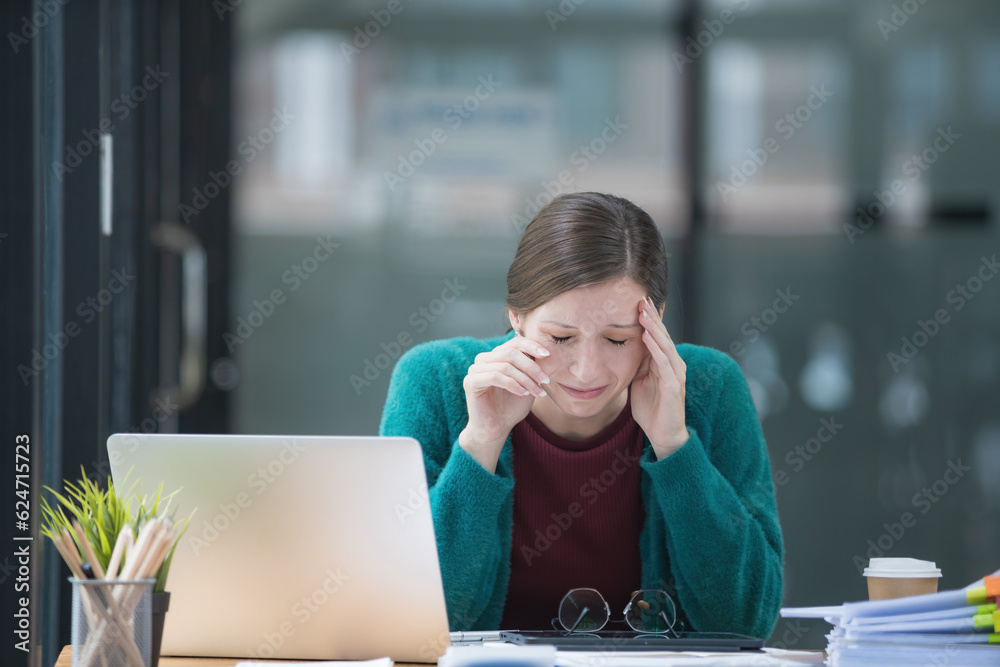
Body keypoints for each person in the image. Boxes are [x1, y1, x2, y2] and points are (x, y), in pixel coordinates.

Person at [379, 192, 783, 638]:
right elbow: (408, 617)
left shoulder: (709, 387)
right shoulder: (435, 380)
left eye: (617, 339)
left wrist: (675, 446)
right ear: (517, 316)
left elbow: (745, 622)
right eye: (560, 336)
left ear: (657, 321)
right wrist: (481, 441)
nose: (587, 370)